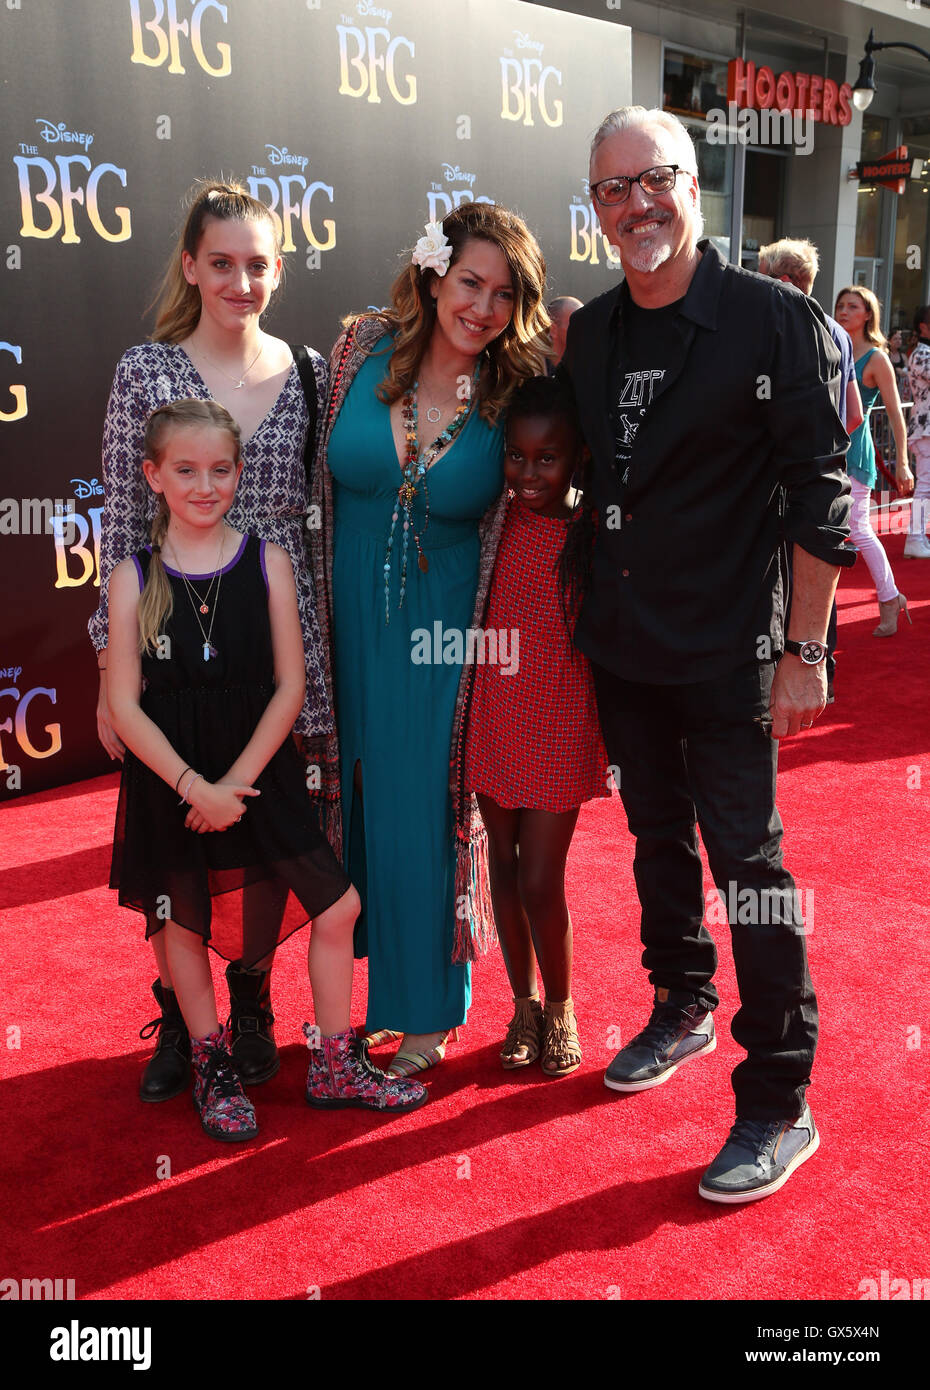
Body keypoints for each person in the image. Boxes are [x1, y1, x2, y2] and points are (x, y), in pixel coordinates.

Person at [560, 105, 856, 1203]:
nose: (637, 205)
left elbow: (822, 493)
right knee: (652, 837)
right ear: (593, 209)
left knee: (753, 868)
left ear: (695, 186)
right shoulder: (589, 335)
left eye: (657, 180)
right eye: (611, 190)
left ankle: (781, 1097)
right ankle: (680, 1002)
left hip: (734, 649)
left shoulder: (774, 320)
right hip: (625, 644)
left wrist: (804, 648)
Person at [106, 400, 427, 1140]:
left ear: (241, 473)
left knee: (337, 904)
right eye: (185, 470)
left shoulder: (268, 560)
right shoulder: (132, 576)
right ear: (153, 476)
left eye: (220, 469)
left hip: (259, 771)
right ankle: (212, 1064)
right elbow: (123, 706)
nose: (204, 484)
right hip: (170, 778)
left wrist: (234, 787)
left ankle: (335, 1062)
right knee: (177, 923)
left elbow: (292, 687)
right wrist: (194, 787)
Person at [90, 180, 330, 1100]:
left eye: (257, 264)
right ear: (190, 266)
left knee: (264, 832)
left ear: (279, 269)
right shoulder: (145, 371)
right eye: (221, 262)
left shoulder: (309, 370)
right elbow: (119, 516)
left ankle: (256, 997)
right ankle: (185, 1023)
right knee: (172, 835)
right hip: (164, 645)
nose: (240, 280)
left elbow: (312, 522)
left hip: (273, 630)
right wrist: (114, 665)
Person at [308, 203, 549, 1077]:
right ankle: (359, 996)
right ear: (434, 275)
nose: (482, 307)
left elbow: (550, 506)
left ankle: (425, 1016)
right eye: (470, 282)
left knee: (421, 808)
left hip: (445, 635)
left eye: (503, 293)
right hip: (340, 622)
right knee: (350, 806)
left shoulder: (518, 393)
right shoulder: (358, 351)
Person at [463, 377, 609, 1076]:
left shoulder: (594, 533)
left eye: (546, 459)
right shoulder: (495, 520)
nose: (528, 474)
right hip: (495, 712)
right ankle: (520, 1004)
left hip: (561, 716)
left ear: (578, 455)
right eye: (516, 458)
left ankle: (561, 1006)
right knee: (502, 866)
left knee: (542, 876)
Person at [758, 238, 863, 700]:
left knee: (790, 577)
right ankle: (824, 669)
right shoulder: (836, 332)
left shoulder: (778, 330)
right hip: (828, 476)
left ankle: (789, 669)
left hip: (788, 481)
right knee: (823, 574)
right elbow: (856, 415)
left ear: (780, 281)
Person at [834, 286, 915, 634]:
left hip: (856, 452)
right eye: (840, 305)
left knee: (858, 528)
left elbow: (896, 415)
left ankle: (889, 597)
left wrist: (902, 462)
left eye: (853, 306)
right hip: (827, 449)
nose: (844, 311)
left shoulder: (877, 358)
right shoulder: (832, 344)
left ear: (868, 315)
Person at [903, 304, 930, 559]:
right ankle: (914, 536)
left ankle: (918, 535)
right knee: (925, 486)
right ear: (923, 326)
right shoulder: (921, 354)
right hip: (925, 428)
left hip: (926, 427)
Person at [546, 296, 584, 374]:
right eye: (576, 324)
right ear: (553, 330)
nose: (584, 331)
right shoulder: (532, 370)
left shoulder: (586, 370)